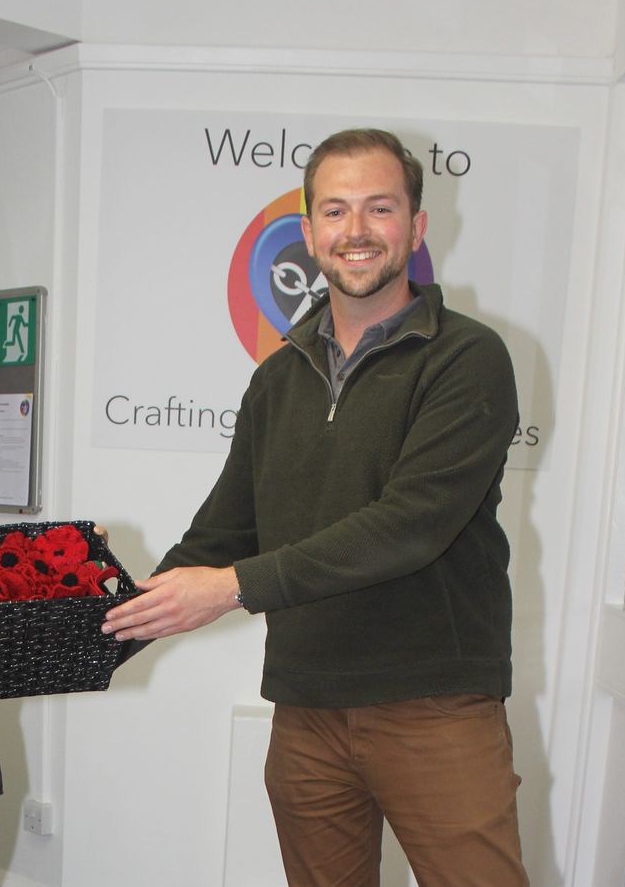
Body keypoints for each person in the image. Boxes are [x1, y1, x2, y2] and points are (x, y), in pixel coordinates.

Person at [103, 128, 528, 886]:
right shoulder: (277, 379)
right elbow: (220, 535)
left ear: (418, 226)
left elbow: (410, 526)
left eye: (379, 208)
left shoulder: (468, 359)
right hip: (306, 710)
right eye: (335, 211)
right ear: (308, 233)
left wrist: (233, 586)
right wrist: (85, 621)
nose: (355, 231)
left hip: (435, 709)